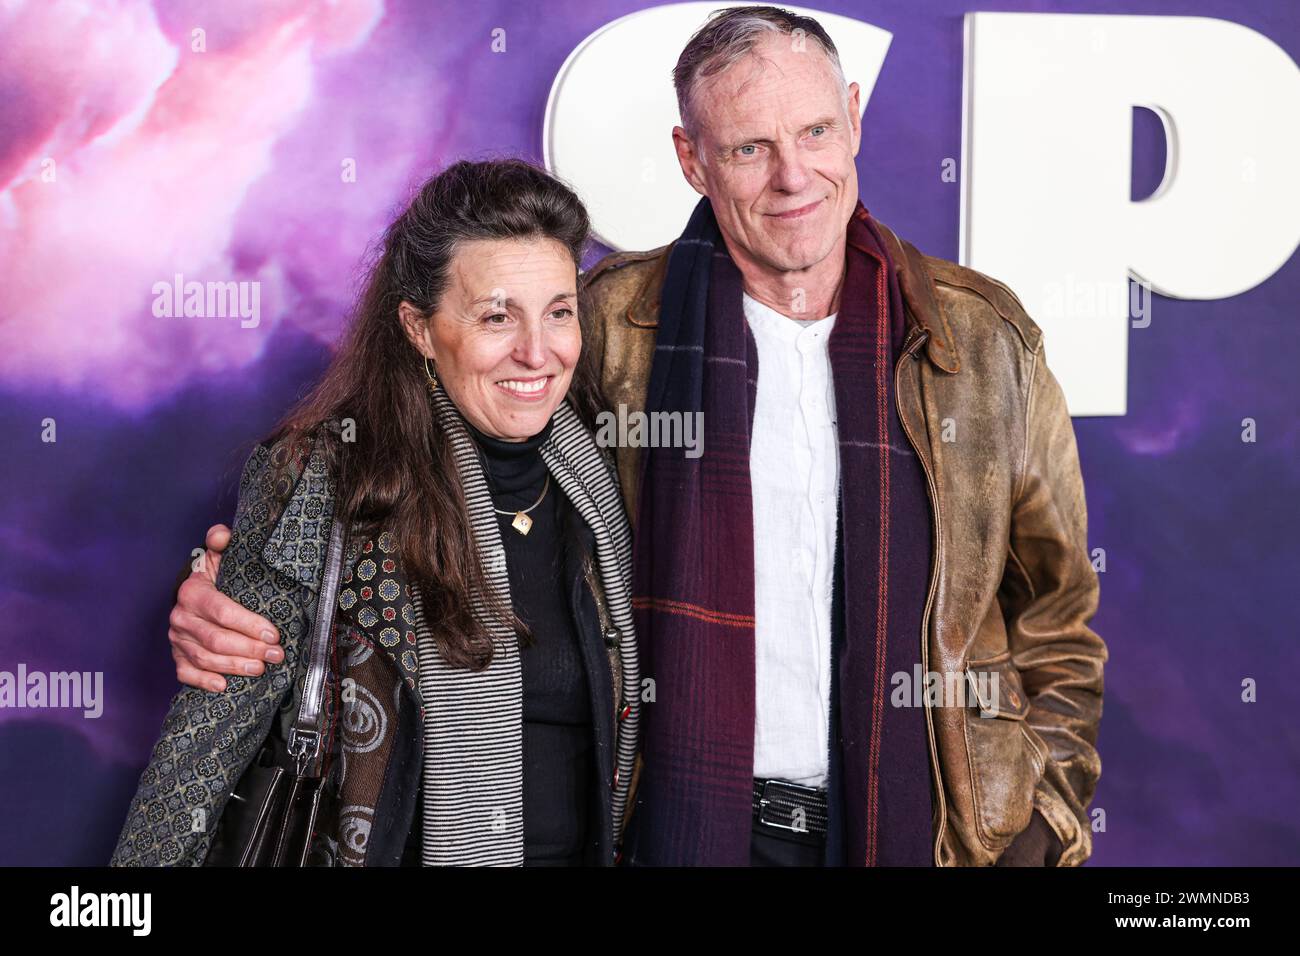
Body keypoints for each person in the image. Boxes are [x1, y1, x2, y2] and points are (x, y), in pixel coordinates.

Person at [160, 5, 1107, 867]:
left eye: (817, 130)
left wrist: (1044, 824)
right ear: (692, 159)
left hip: (932, 837)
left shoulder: (978, 340)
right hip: (679, 827)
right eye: (748, 148)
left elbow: (1057, 617)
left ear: (854, 116)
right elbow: (445, 470)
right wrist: (242, 603)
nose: (793, 176)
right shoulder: (611, 325)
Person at [111, 158, 640, 867]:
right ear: (419, 330)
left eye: (559, 311)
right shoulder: (330, 477)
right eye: (495, 316)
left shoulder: (601, 475)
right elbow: (199, 758)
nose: (537, 352)